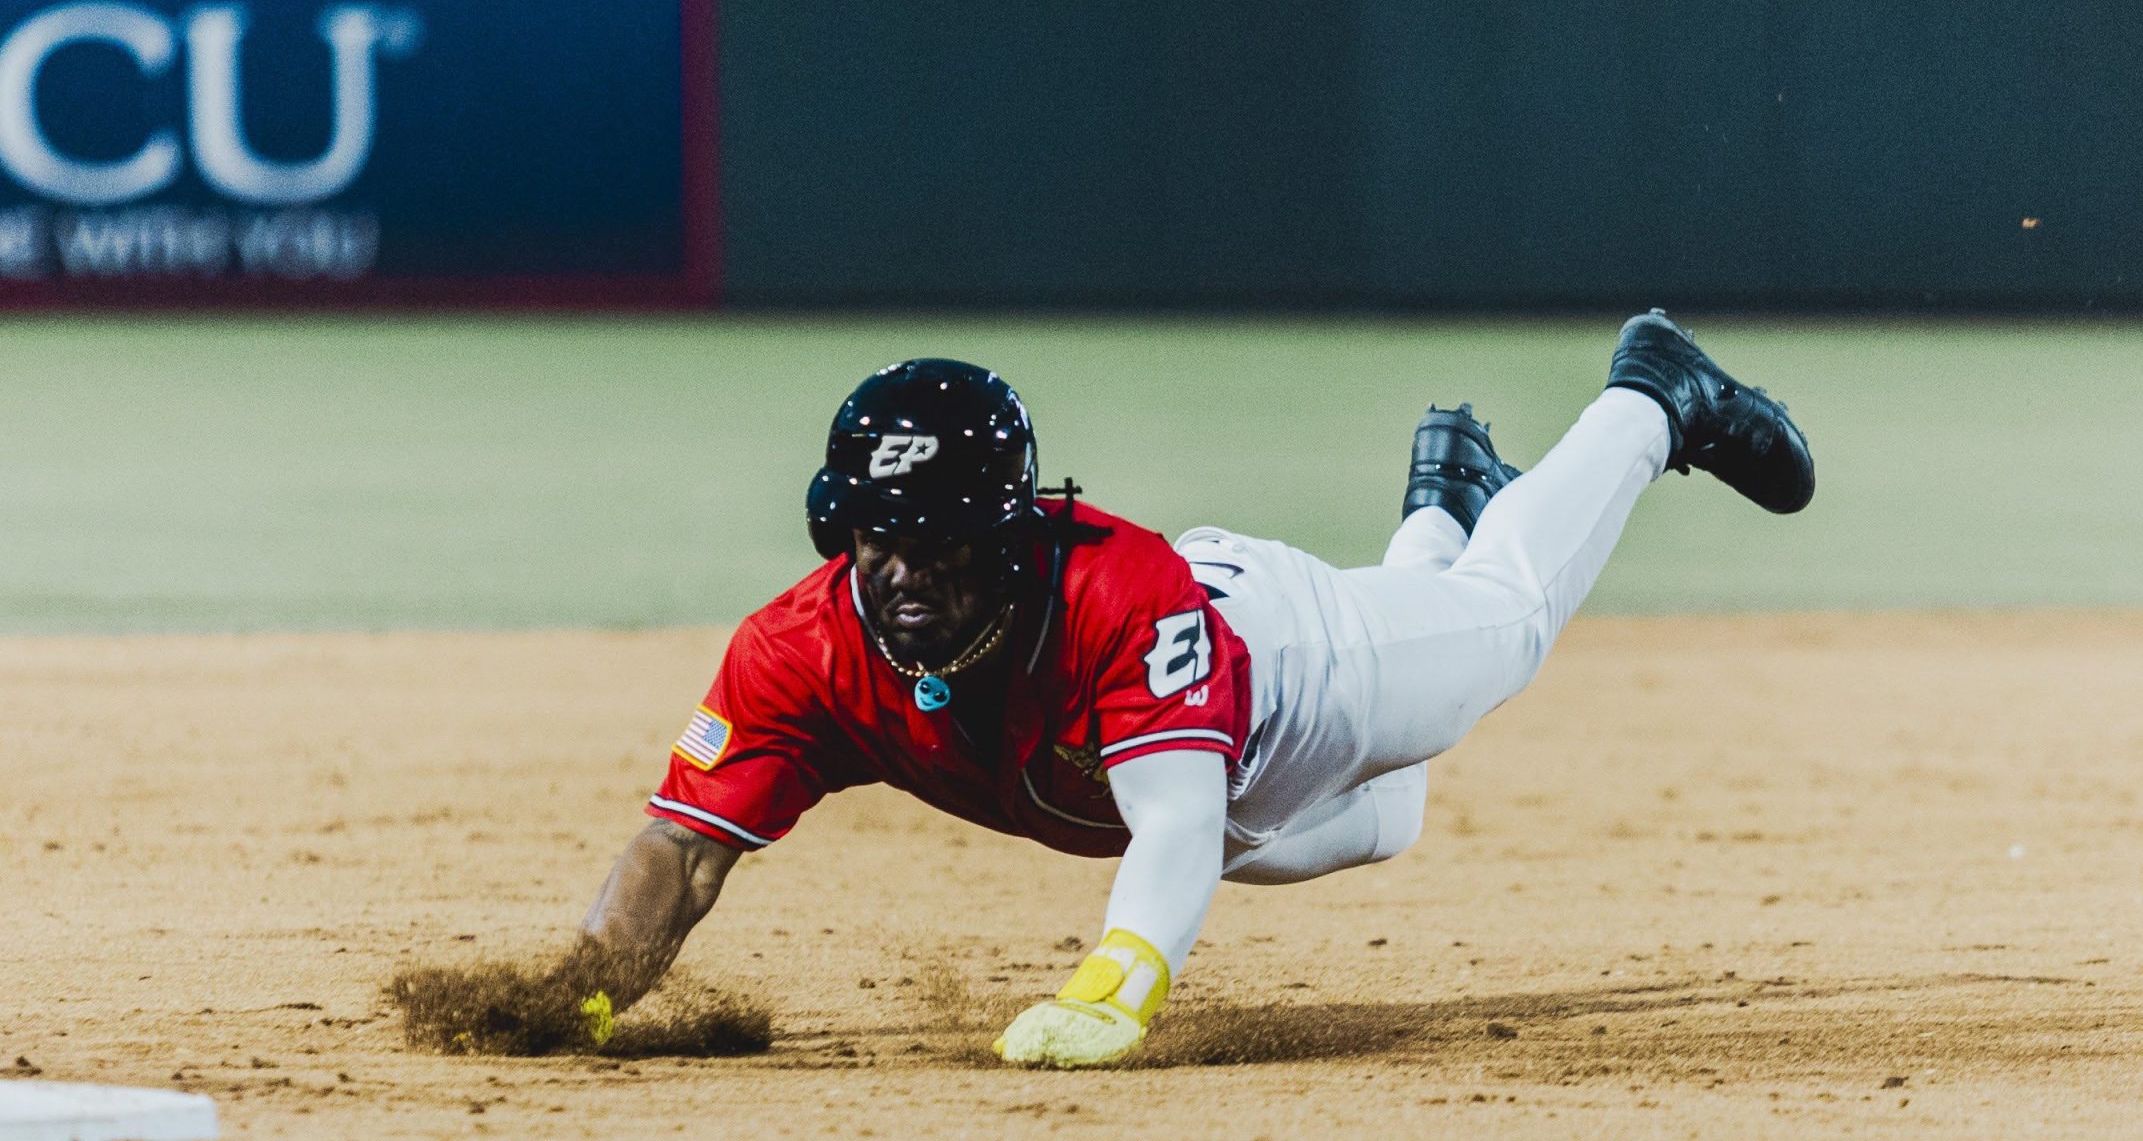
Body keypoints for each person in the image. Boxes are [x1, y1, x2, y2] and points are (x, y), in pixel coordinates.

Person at [573, 312, 1814, 1068]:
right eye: (875, 535)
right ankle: (1444, 498)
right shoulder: (796, 652)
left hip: (1293, 665)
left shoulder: (1114, 601)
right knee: (1391, 821)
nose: (900, 571)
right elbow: (681, 849)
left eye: (937, 537)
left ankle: (1651, 396)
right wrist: (577, 998)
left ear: (1004, 534)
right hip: (1212, 764)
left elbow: (1177, 822)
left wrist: (1117, 982)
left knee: (1505, 628)